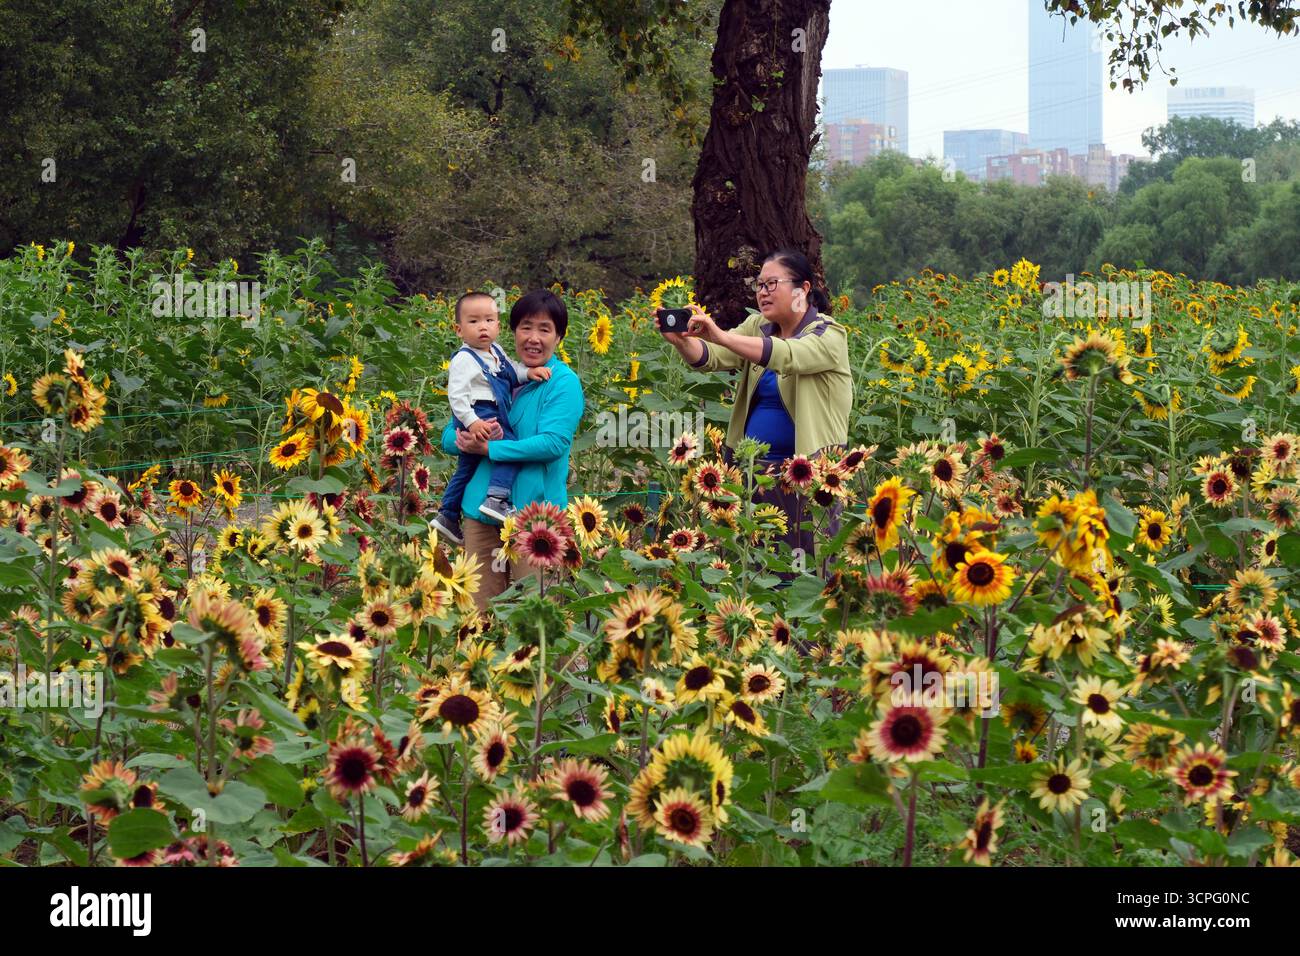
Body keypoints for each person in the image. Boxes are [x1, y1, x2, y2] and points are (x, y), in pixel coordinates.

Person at [657, 248, 853, 563]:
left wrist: (720, 336)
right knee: (754, 565)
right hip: (752, 474)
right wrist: (683, 342)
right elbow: (714, 357)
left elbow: (788, 355)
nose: (762, 292)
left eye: (771, 284)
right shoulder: (757, 326)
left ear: (802, 290)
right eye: (759, 285)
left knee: (804, 566)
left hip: (806, 478)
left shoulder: (828, 334)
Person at [438, 289, 584, 610]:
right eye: (526, 327)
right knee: (479, 614)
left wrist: (490, 449)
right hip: (481, 516)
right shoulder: (494, 374)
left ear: (559, 336)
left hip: (537, 520)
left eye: (544, 329)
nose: (533, 338)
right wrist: (465, 442)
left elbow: (553, 443)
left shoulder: (562, 382)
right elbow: (449, 435)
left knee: (536, 614)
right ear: (513, 331)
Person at [431, 292, 551, 545]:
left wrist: (529, 373)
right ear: (458, 329)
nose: (482, 327)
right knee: (506, 448)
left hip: (483, 414)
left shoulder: (495, 351)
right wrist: (473, 422)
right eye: (473, 322)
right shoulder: (464, 359)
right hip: (480, 413)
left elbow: (512, 371)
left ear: (498, 325)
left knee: (467, 468)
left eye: (488, 320)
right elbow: (457, 397)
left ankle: (447, 515)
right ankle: (497, 499)